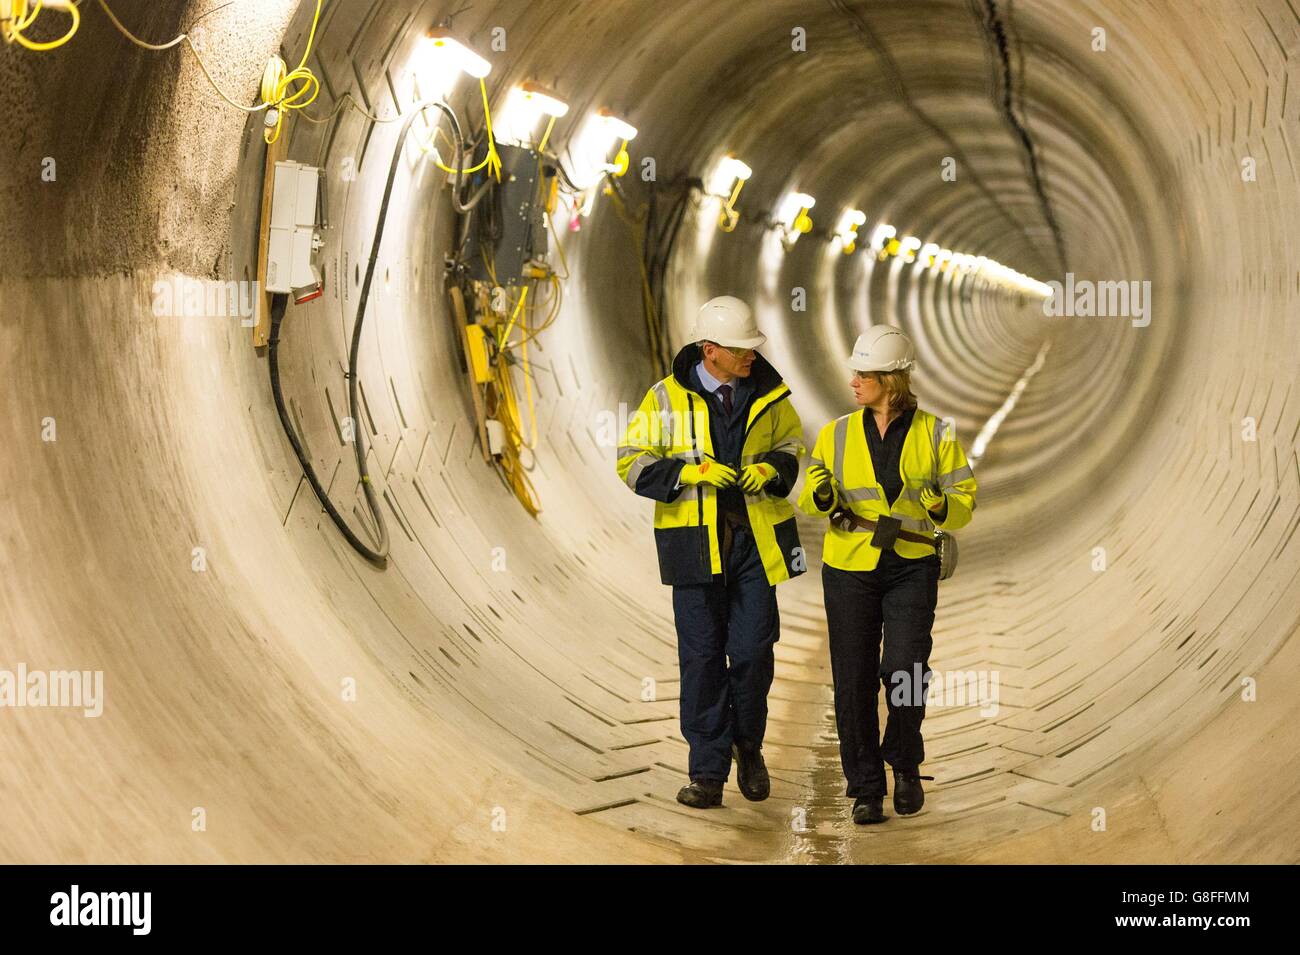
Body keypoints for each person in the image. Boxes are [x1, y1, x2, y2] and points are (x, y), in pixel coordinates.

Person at [617, 296, 807, 808]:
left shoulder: (769, 393)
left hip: (754, 544)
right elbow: (631, 461)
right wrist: (686, 473)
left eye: (751, 347)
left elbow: (792, 448)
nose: (751, 356)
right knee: (701, 660)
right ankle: (706, 772)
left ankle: (749, 745)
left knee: (751, 653)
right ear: (710, 350)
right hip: (693, 546)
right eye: (741, 349)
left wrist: (771, 471)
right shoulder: (664, 398)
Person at [797, 325, 977, 824]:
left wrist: (942, 507)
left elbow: (965, 500)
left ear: (892, 380)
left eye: (865, 374)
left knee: (905, 669)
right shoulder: (835, 433)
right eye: (855, 373)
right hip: (850, 564)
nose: (854, 381)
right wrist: (823, 496)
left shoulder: (937, 433)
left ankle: (905, 761)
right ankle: (866, 788)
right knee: (852, 679)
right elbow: (812, 490)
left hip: (911, 563)